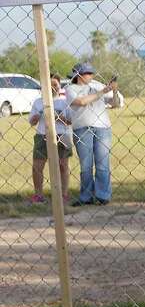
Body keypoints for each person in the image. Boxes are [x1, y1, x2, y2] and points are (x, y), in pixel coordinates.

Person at [66, 62, 123, 206]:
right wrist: (102, 92)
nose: (90, 76)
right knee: (86, 165)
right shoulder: (70, 89)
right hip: (82, 129)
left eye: (91, 73)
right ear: (78, 74)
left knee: (103, 164)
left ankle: (103, 196)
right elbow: (82, 101)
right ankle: (86, 196)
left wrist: (114, 91)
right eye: (87, 73)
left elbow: (115, 104)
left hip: (103, 128)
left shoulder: (97, 85)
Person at [29, 74, 72, 206]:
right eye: (50, 85)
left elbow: (70, 121)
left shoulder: (64, 102)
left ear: (60, 86)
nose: (53, 88)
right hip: (42, 135)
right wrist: (36, 117)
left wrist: (61, 118)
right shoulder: (38, 102)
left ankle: (63, 194)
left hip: (61, 135)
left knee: (63, 166)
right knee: (37, 166)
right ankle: (38, 195)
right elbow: (31, 121)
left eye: (55, 85)